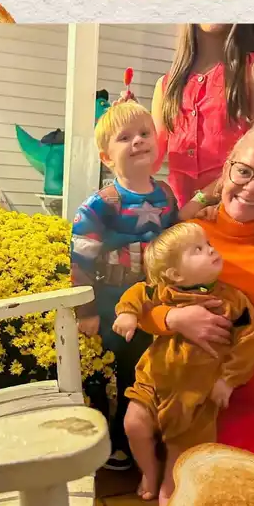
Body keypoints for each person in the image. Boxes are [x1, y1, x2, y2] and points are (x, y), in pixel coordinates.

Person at [120, 103, 254, 472]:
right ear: (227, 167)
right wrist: (174, 319)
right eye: (243, 171)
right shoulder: (191, 234)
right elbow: (144, 301)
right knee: (215, 489)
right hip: (206, 399)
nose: (251, 188)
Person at [112, 222, 254, 506]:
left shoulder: (233, 302)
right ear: (176, 275)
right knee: (134, 425)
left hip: (195, 394)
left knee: (179, 459)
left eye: (208, 245)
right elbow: (137, 294)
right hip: (153, 379)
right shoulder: (163, 292)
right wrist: (127, 314)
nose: (211, 250)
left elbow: (248, 339)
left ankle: (170, 505)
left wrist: (228, 380)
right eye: (198, 250)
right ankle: (149, 472)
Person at [70, 99, 180, 471]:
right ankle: (104, 437)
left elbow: (175, 246)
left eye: (145, 133)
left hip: (152, 300)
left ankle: (132, 437)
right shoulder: (100, 205)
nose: (138, 141)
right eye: (125, 137)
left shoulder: (165, 196)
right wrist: (86, 310)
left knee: (141, 370)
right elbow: (81, 259)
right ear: (106, 157)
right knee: (105, 371)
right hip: (111, 301)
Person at [151, 24, 254, 208]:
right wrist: (127, 127)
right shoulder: (166, 85)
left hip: (232, 214)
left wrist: (200, 200)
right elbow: (150, 161)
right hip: (179, 216)